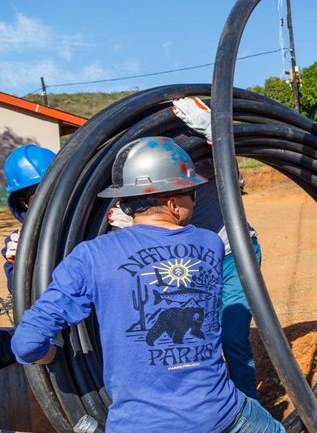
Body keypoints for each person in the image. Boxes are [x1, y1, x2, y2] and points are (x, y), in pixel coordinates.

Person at [11, 137, 314, 433]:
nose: (195, 199)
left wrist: (50, 353)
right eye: (191, 193)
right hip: (219, 417)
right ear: (172, 202)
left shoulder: (92, 257)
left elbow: (24, 344)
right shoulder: (210, 248)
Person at [109, 97, 264, 401]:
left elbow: (234, 174)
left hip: (234, 254)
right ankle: (212, 405)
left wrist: (213, 129)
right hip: (191, 264)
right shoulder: (142, 178)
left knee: (232, 338)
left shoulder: (201, 160)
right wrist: (136, 223)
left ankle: (249, 408)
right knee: (197, 341)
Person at [2, 144, 57, 293]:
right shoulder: (16, 242)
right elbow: (21, 292)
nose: (49, 198)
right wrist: (19, 263)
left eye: (53, 188)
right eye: (37, 193)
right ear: (23, 201)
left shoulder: (94, 221)